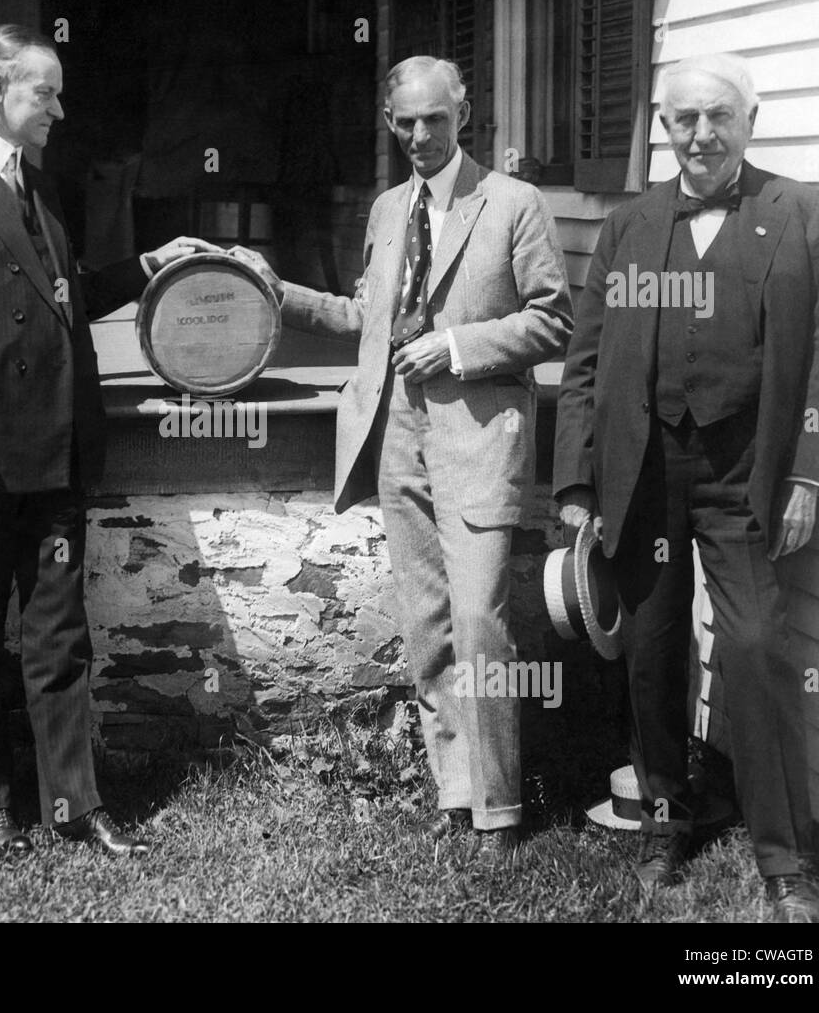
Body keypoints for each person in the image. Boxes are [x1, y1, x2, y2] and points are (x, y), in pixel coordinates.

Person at [0, 23, 215, 857]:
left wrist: (147, 266)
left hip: (57, 452)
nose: (60, 110)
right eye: (46, 93)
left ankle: (74, 802)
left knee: (60, 635)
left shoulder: (40, 183)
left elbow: (64, 293)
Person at [233, 56, 572, 861]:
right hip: (397, 438)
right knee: (426, 626)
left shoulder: (514, 202)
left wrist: (457, 347)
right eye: (405, 124)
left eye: (435, 120)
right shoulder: (389, 209)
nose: (420, 136)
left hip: (479, 440)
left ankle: (499, 807)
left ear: (465, 115)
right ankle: (455, 789)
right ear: (390, 126)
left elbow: (555, 320)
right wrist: (274, 287)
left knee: (481, 620)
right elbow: (369, 315)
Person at [553, 53, 819, 922]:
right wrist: (575, 476)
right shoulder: (630, 226)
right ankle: (664, 818)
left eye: (719, 116)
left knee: (756, 647)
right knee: (651, 650)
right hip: (643, 470)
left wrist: (806, 472)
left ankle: (783, 856)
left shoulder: (797, 213)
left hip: (741, 473)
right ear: (663, 128)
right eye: (684, 119)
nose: (702, 134)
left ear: (751, 119)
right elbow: (586, 362)